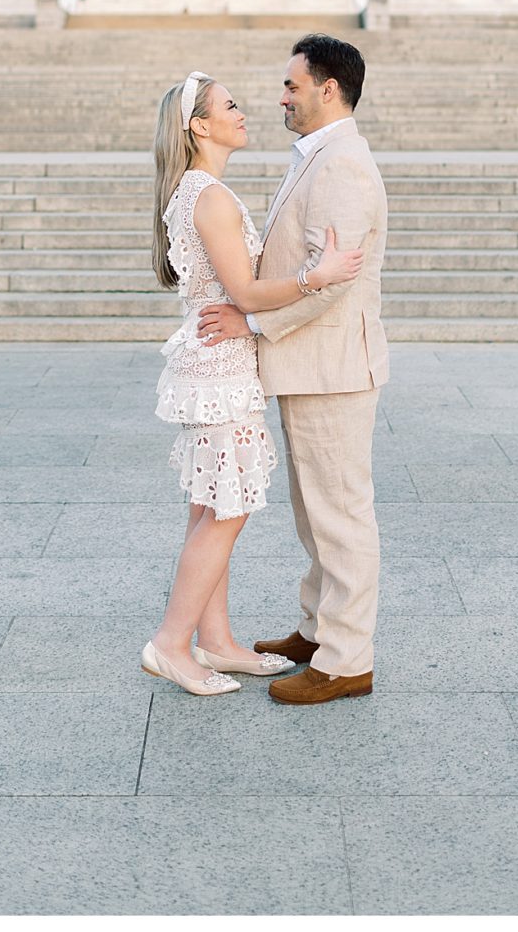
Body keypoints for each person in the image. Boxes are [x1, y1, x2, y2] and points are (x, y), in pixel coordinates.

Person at [141, 70, 364, 696]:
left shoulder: (198, 190)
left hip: (215, 364)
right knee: (226, 511)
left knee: (210, 505)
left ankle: (216, 642)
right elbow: (243, 293)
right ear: (199, 126)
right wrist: (316, 276)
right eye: (230, 106)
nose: (245, 112)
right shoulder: (208, 196)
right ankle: (171, 644)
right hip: (218, 369)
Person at [197, 34, 390, 705]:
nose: (280, 97)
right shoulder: (320, 157)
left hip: (332, 364)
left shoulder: (342, 165)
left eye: (291, 85)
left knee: (340, 515)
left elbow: (333, 280)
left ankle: (345, 660)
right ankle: (317, 629)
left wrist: (250, 321)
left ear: (327, 88)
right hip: (312, 363)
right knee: (316, 514)